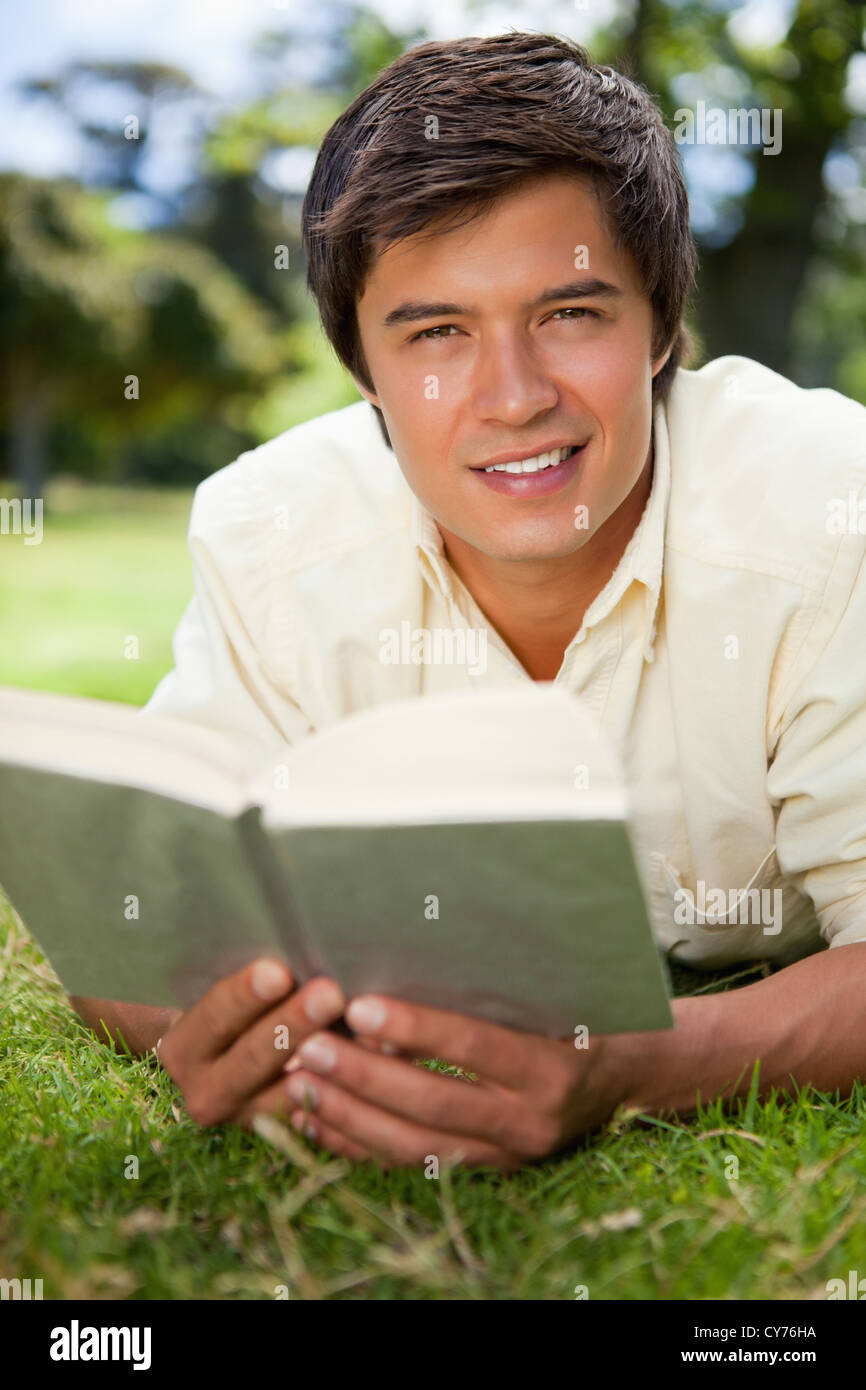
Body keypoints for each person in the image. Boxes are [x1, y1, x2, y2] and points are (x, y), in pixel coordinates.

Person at [71, 32, 866, 1171]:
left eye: (570, 313)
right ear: (361, 370)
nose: (513, 397)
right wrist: (220, 1023)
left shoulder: (826, 512)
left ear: (657, 326)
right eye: (437, 332)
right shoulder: (271, 535)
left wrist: (642, 1066)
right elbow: (137, 917)